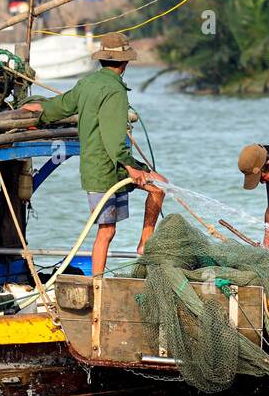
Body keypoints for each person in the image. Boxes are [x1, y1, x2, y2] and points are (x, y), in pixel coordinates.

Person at [20, 32, 164, 275]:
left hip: (108, 165)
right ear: (125, 62)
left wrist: (40, 111)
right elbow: (113, 134)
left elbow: (61, 106)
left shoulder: (87, 83)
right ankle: (98, 281)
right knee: (107, 230)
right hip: (106, 168)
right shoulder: (116, 92)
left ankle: (144, 242)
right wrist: (131, 167)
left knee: (159, 187)